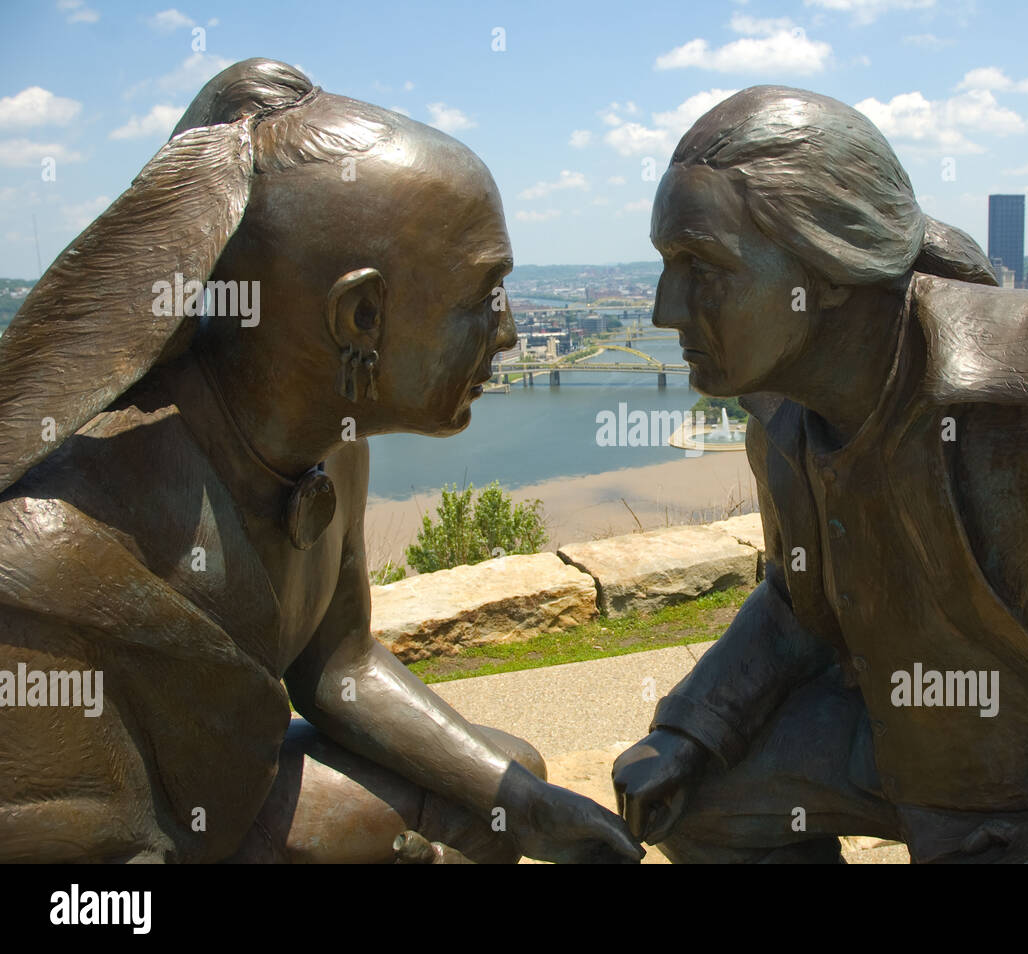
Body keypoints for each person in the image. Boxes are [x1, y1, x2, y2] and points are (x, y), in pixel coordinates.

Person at [612, 85, 1028, 863]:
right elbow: (799, 601)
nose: (668, 310)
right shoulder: (782, 412)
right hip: (916, 742)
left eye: (702, 266)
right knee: (698, 801)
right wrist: (691, 728)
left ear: (829, 266)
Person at [0, 59, 641, 865]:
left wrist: (527, 807)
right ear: (361, 315)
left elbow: (340, 668)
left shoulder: (334, 450)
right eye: (485, 294)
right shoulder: (52, 560)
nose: (508, 334)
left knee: (509, 786)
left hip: (235, 790)